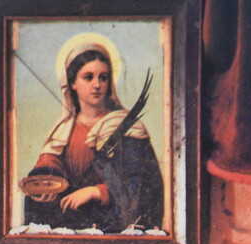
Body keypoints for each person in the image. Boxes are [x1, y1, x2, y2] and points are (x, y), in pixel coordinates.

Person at [22, 37, 165, 233]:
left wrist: (97, 191)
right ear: (72, 83)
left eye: (103, 77)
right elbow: (49, 165)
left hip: (111, 218)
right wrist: (43, 185)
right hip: (72, 217)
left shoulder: (125, 126)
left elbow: (141, 186)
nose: (97, 85)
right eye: (88, 77)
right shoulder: (64, 129)